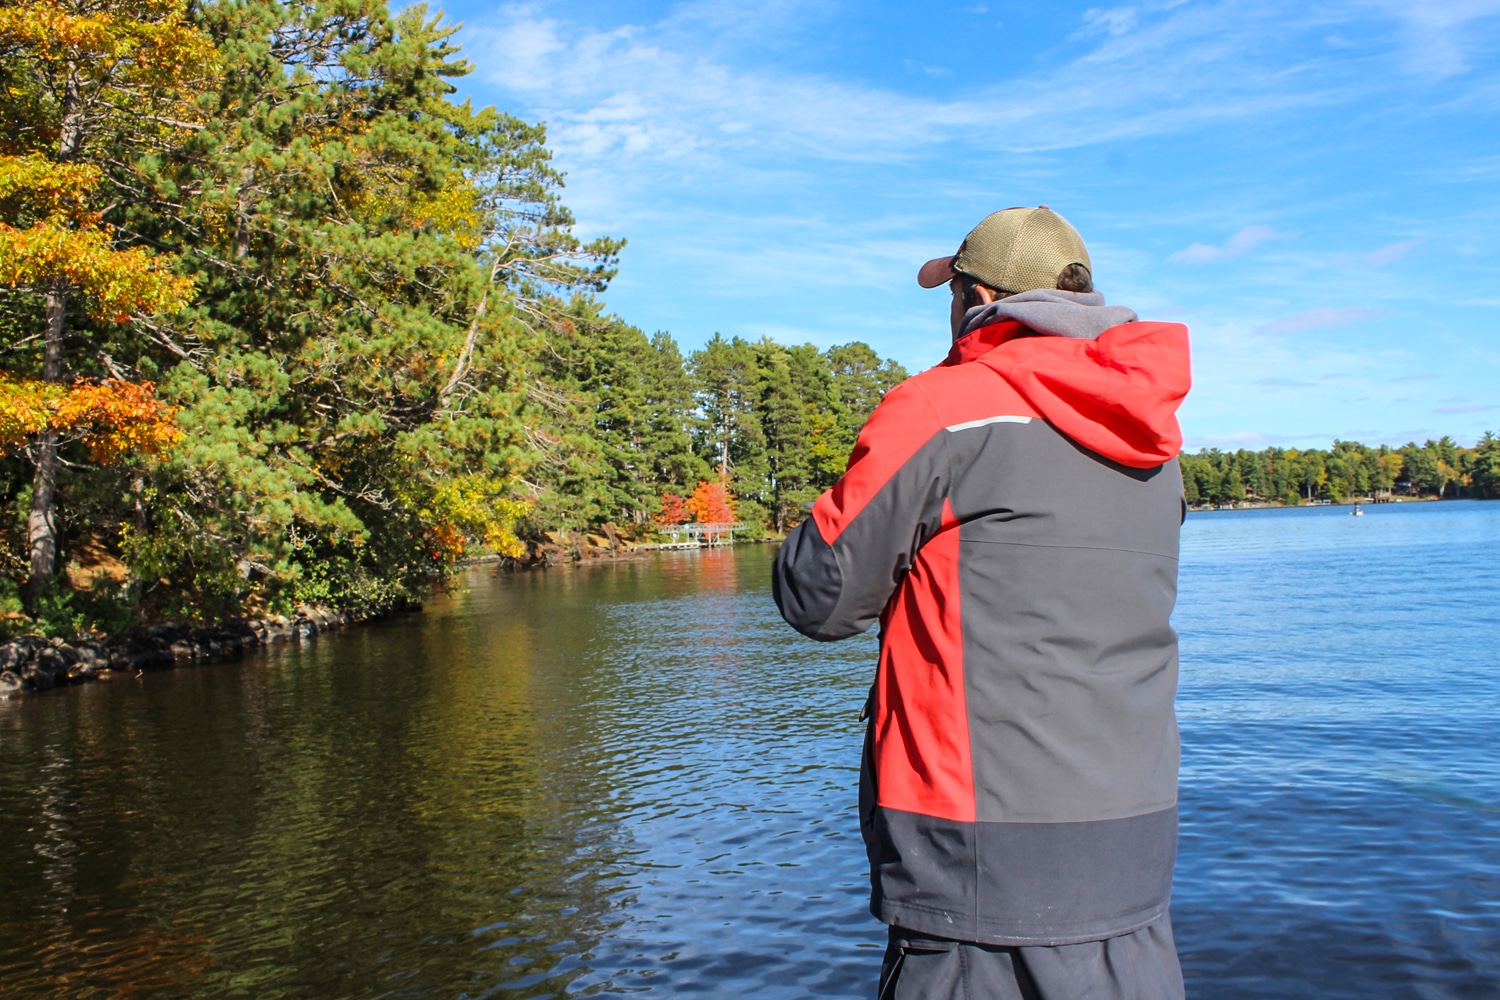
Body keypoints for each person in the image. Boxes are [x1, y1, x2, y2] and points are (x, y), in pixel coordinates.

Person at [771, 206, 1192, 999]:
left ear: (976, 298)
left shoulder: (940, 408)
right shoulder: (1156, 441)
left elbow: (816, 595)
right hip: (1133, 858)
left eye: (952, 293)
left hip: (976, 867)